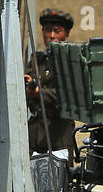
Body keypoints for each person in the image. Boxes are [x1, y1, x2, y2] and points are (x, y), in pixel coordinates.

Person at [27, 8, 76, 153]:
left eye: (57, 31)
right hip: (34, 132)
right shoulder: (37, 59)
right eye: (47, 30)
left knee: (61, 173)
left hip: (59, 134)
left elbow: (68, 94)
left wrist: (39, 93)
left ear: (66, 34)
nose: (51, 36)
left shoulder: (71, 61)